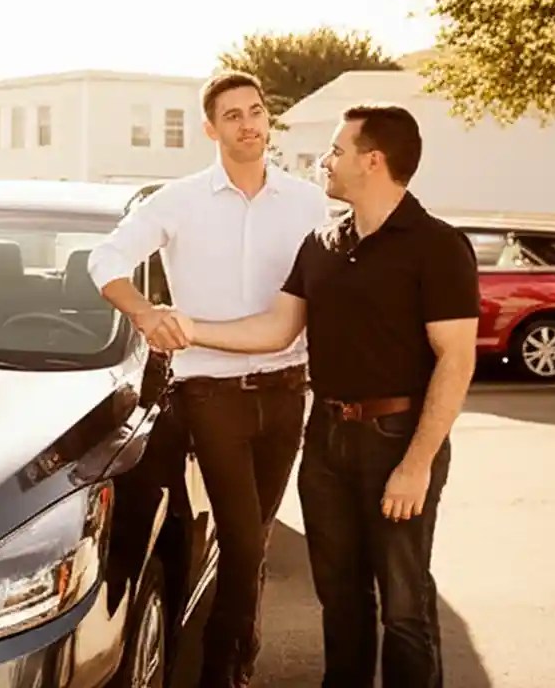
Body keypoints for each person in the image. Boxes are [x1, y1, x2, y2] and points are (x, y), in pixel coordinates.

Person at [163, 103, 480, 687]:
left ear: (373, 160)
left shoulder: (437, 246)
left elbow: (457, 360)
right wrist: (184, 327)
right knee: (340, 597)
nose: (324, 162)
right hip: (326, 443)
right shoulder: (322, 242)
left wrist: (417, 464)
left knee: (405, 605)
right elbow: (277, 329)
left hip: (399, 441)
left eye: (336, 150)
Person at [87, 70, 329, 688]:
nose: (248, 125)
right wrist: (144, 312)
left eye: (256, 112)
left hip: (285, 390)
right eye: (233, 116)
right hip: (210, 396)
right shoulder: (178, 199)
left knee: (256, 541)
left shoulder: (307, 201)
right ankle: (224, 674)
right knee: (244, 546)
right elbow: (104, 258)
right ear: (209, 128)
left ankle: (237, 656)